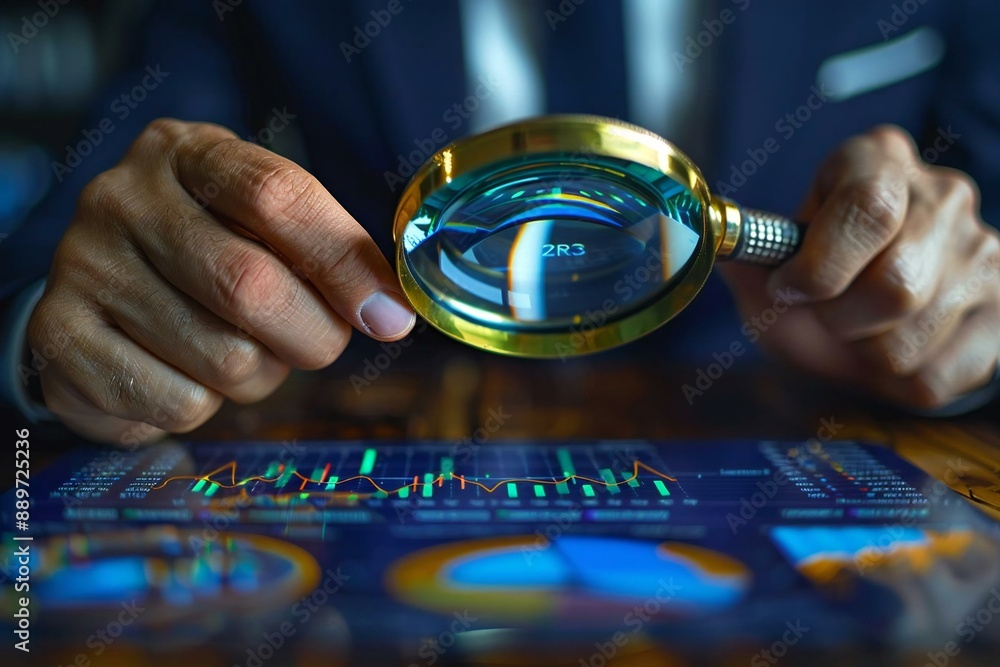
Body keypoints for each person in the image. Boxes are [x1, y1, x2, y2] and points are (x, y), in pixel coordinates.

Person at [1, 0, 998, 443]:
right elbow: (70, 245)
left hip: (790, 436)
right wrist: (57, 346)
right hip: (387, 469)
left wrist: (969, 331)